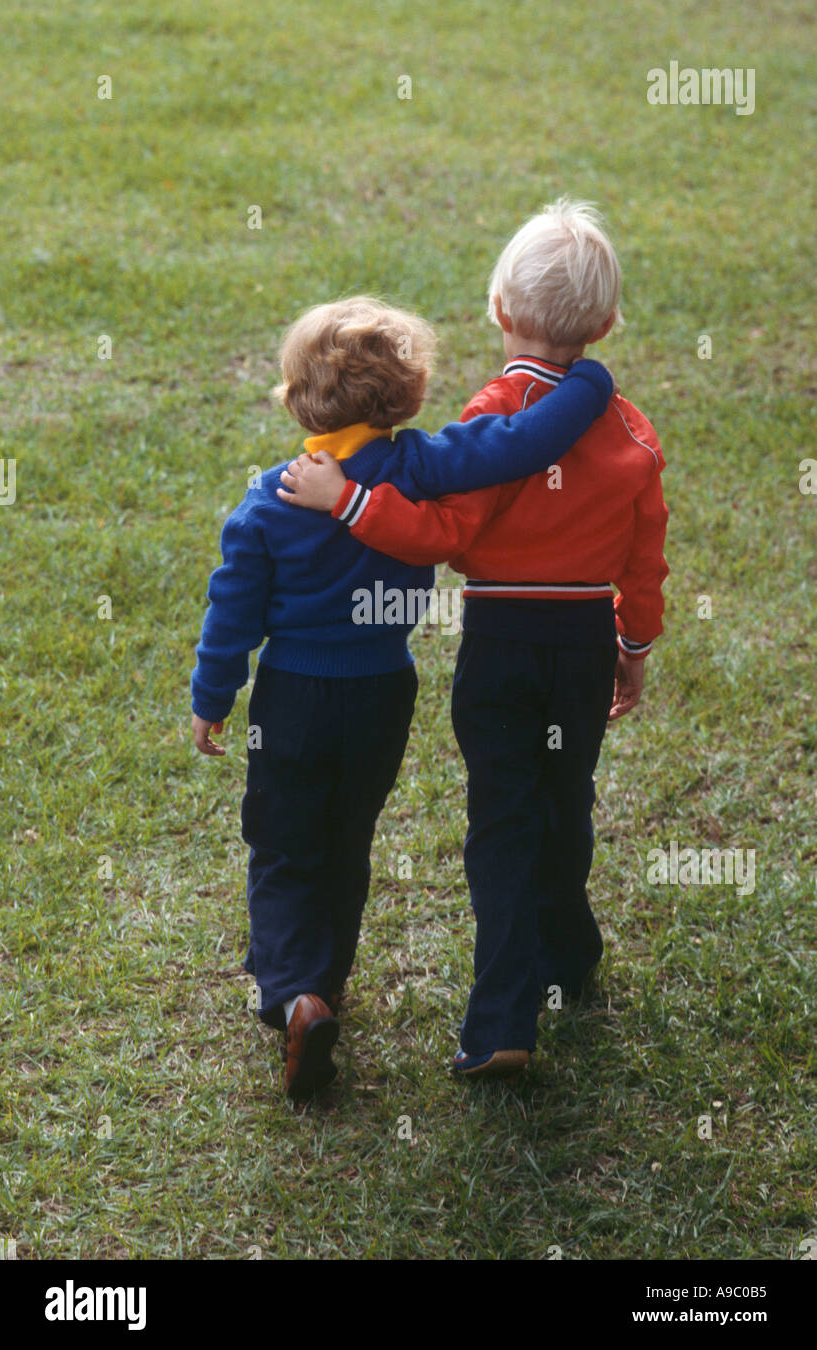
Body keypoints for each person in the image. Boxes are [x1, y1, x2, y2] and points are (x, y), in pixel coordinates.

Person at [278, 202, 669, 1079]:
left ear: (498, 308)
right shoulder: (631, 427)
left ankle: (501, 1024)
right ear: (605, 324)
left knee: (503, 820)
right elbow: (646, 559)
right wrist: (633, 646)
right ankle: (572, 959)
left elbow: (441, 534)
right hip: (580, 641)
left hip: (499, 641)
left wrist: (347, 501)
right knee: (565, 801)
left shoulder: (495, 411)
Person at [191, 293, 613, 1099]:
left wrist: (213, 696)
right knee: (346, 841)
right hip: (383, 692)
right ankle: (324, 983)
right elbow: (523, 443)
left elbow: (232, 614)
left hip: (293, 696)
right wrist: (588, 383)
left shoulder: (268, 502)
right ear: (410, 395)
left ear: (294, 398)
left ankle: (294, 994)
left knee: (283, 846)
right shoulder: (419, 466)